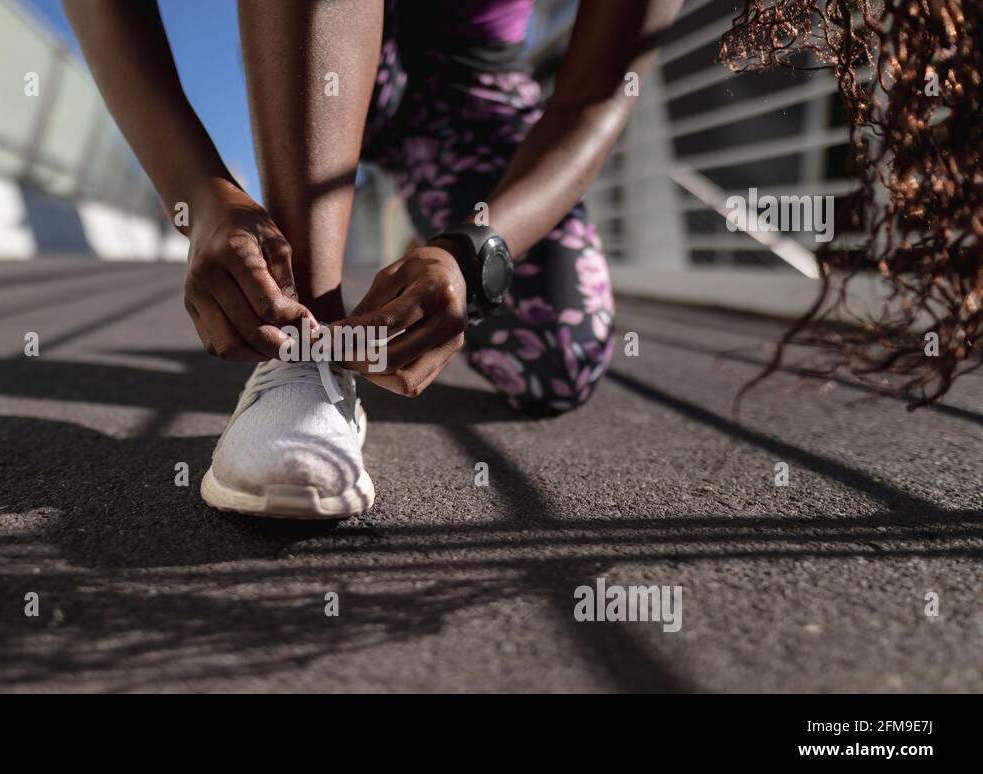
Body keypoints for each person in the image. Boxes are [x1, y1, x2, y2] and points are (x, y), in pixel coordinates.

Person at [63, 0, 683, 518]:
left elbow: (596, 97)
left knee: (558, 364)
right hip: (312, 45)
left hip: (467, 84)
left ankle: (426, 251)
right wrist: (198, 196)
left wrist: (473, 252)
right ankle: (308, 356)